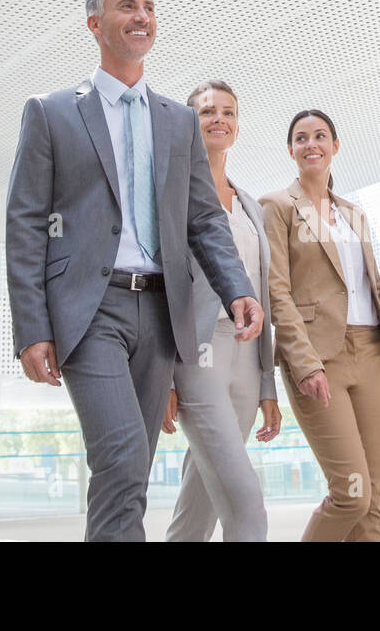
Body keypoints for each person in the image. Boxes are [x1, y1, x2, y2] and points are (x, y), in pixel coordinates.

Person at [5, 0, 264, 542]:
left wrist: (237, 287)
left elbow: (202, 219)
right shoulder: (50, 112)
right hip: (88, 311)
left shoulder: (176, 120)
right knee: (120, 458)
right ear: (96, 24)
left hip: (160, 315)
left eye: (148, 6)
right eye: (127, 6)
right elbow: (25, 223)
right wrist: (31, 328)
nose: (142, 15)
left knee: (134, 469)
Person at [262, 109, 380, 541]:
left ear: (335, 146)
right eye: (302, 138)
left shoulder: (354, 213)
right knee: (350, 493)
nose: (312, 145)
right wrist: (304, 364)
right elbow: (277, 291)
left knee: (373, 496)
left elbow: (375, 290)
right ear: (291, 150)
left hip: (374, 355)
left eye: (321, 136)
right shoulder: (277, 206)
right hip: (320, 356)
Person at [162, 81, 281, 542]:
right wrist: (165, 375)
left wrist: (268, 384)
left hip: (248, 358)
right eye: (207, 111)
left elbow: (264, 293)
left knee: (202, 497)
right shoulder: (170, 196)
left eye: (228, 112)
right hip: (198, 352)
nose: (219, 119)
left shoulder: (251, 205)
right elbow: (163, 285)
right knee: (245, 500)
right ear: (189, 122)